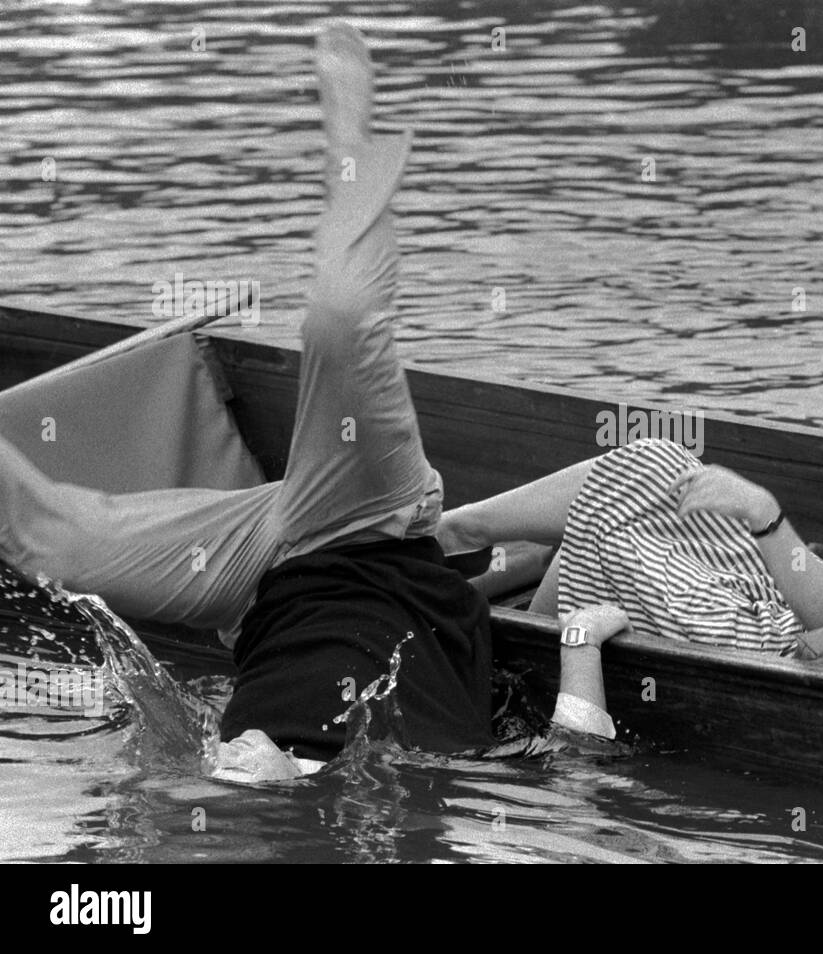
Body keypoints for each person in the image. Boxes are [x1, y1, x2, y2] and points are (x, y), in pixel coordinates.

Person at [0, 23, 501, 780]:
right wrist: (478, 531)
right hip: (366, 519)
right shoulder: (420, 775)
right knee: (340, 319)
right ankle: (350, 146)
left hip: (256, 574)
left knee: (55, 549)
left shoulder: (238, 764)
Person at [437, 280, 823, 738]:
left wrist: (763, 514)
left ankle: (517, 656)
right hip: (814, 606)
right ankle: (459, 532)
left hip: (775, 642)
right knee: (656, 459)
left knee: (605, 511)